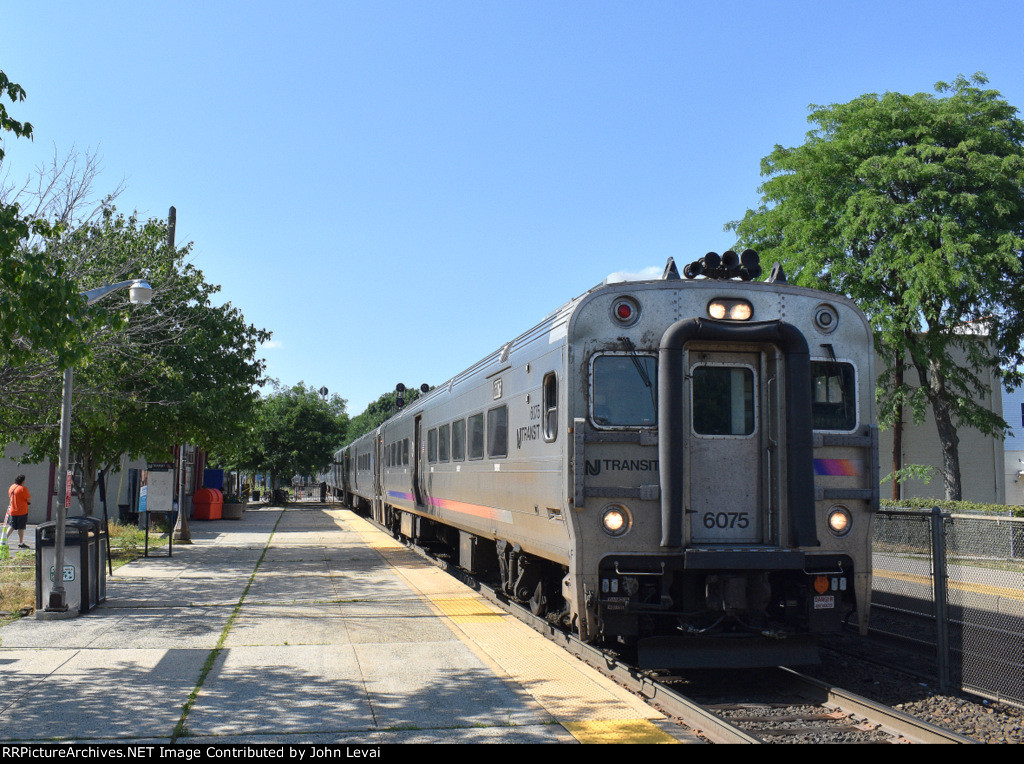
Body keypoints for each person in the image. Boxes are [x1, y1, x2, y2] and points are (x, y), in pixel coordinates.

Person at [7, 474, 31, 549]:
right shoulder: (23, 489)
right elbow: (28, 499)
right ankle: (21, 542)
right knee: (21, 527)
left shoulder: (12, 487)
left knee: (12, 526)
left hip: (13, 510)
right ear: (22, 481)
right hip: (22, 511)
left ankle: (3, 539)